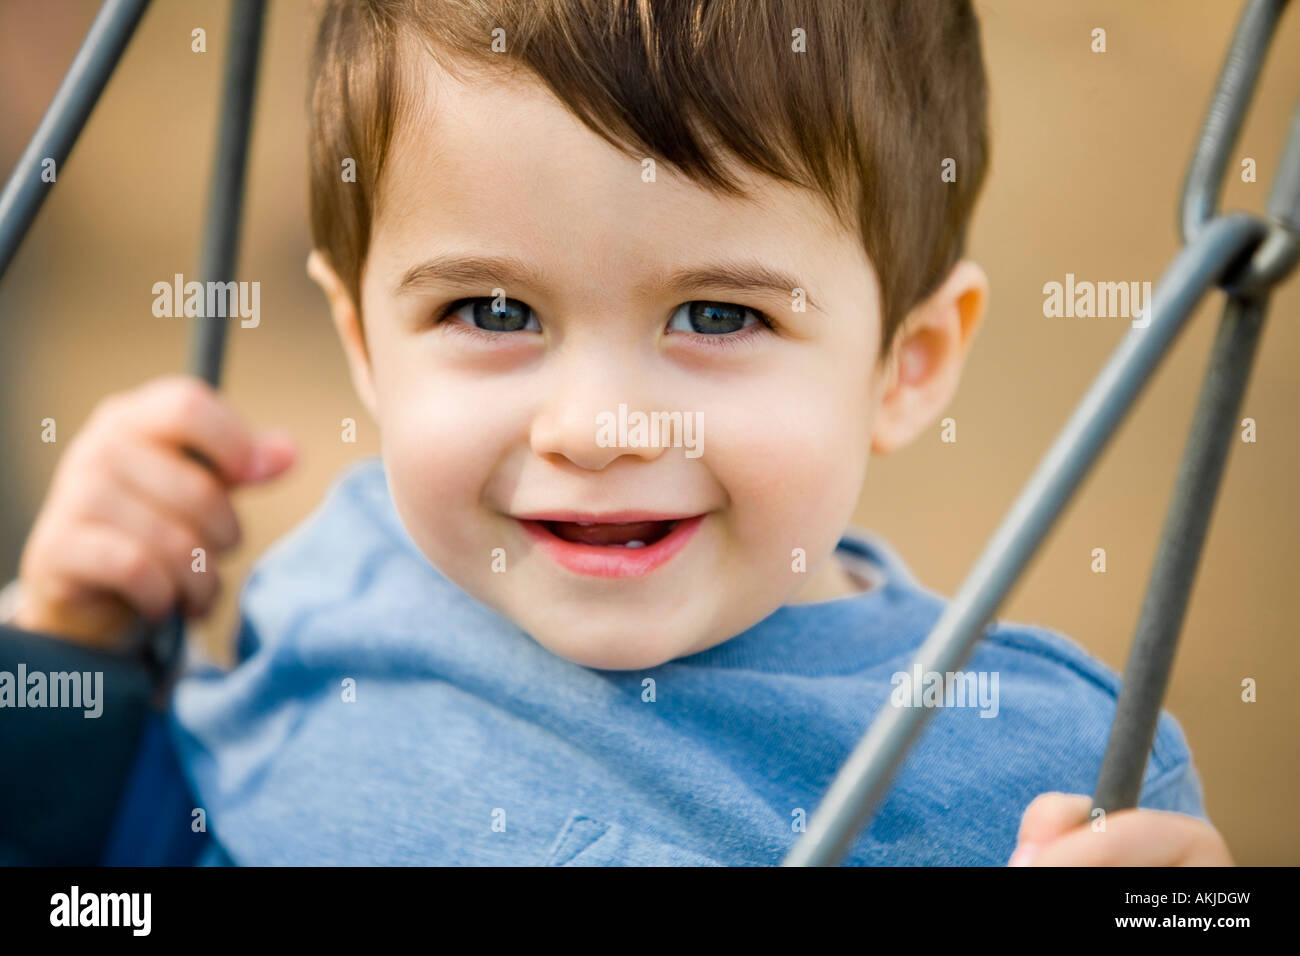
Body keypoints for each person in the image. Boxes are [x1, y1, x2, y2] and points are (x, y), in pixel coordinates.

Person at [2, 0, 1231, 865]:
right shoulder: (341, 577)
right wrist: (66, 669)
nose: (596, 428)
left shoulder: (1036, 771)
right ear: (365, 343)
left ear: (905, 365)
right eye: (492, 309)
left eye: (714, 313)